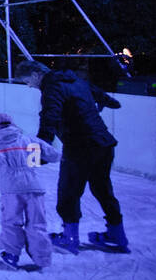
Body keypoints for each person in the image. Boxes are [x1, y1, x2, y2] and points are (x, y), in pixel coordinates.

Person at [16, 59, 126, 253]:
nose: (29, 86)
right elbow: (97, 92)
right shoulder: (73, 79)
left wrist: (38, 154)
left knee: (68, 193)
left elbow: (49, 118)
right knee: (103, 190)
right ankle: (117, 234)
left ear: (35, 75)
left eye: (27, 81)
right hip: (104, 143)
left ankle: (69, 238)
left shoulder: (52, 87)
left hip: (80, 146)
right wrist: (109, 102)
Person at [0, 112, 60, 269]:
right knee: (37, 223)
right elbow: (53, 155)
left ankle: (12, 255)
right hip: (34, 186)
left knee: (11, 222)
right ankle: (42, 259)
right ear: (12, 124)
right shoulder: (30, 140)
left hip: (11, 189)